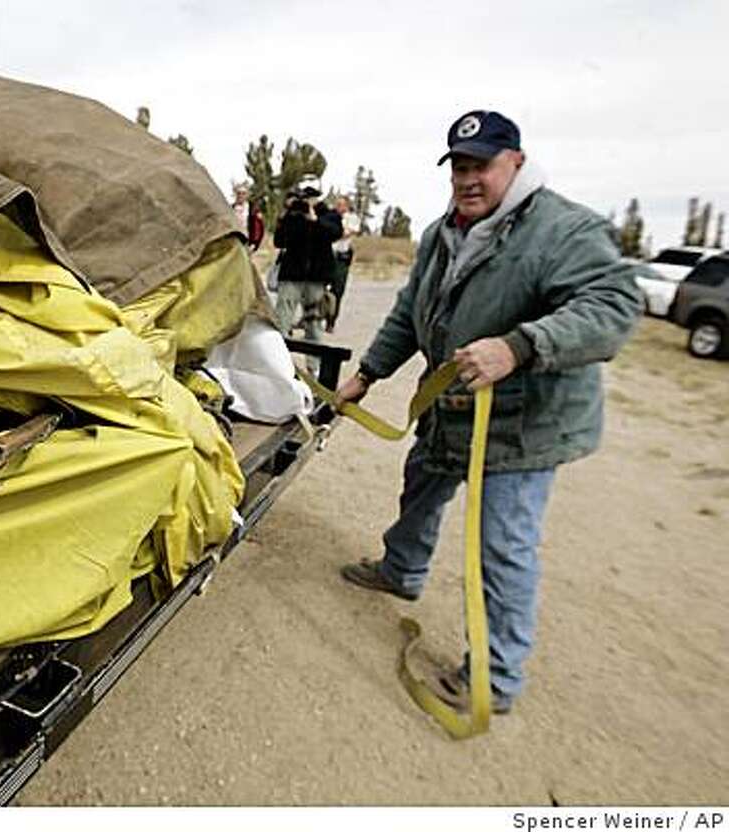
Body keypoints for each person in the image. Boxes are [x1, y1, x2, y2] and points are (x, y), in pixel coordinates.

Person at [335, 110, 642, 713]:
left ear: (517, 163)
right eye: (460, 166)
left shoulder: (565, 230)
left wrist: (519, 347)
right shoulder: (442, 231)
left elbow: (612, 309)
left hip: (525, 426)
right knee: (420, 487)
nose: (468, 178)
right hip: (452, 407)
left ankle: (494, 679)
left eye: (483, 165)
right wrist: (367, 373)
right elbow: (408, 313)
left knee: (502, 545)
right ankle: (402, 570)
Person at [273, 178, 342, 358]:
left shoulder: (329, 215)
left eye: (310, 196)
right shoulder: (293, 214)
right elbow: (279, 241)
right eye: (303, 196)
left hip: (316, 277)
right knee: (282, 320)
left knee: (313, 324)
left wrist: (314, 219)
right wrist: (284, 217)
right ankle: (280, 364)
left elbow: (335, 233)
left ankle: (314, 368)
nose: (306, 200)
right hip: (292, 274)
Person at [328, 195, 361, 330]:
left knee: (338, 290)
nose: (339, 207)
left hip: (341, 257)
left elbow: (350, 232)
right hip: (328, 255)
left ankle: (331, 320)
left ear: (347, 206)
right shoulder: (330, 216)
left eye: (342, 204)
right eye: (337, 204)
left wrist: (335, 233)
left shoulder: (352, 219)